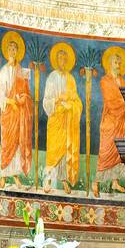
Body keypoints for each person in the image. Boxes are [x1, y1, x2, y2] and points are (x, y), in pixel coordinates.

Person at [42, 44, 82, 192]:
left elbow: (76, 100)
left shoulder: (71, 79)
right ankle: (49, 180)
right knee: (53, 150)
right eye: (60, 57)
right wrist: (57, 100)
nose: (63, 60)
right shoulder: (51, 77)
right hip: (56, 118)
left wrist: (71, 105)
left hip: (68, 119)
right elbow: (46, 100)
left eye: (65, 58)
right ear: (56, 60)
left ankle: (64, 180)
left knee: (66, 150)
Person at [0, 34, 33, 183]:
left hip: (19, 113)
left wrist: (22, 98)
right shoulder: (3, 70)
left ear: (17, 52)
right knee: (6, 142)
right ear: (6, 51)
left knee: (18, 142)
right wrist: (11, 101)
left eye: (14, 49)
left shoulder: (23, 71)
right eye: (10, 48)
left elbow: (27, 93)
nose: (12, 51)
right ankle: (4, 174)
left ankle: (15, 174)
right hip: (8, 111)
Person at [95, 47, 125, 195]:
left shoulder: (122, 80)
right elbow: (111, 100)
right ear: (110, 64)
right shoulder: (105, 81)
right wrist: (124, 102)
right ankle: (95, 182)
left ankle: (115, 182)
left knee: (118, 152)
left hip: (121, 122)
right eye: (116, 62)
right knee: (105, 152)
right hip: (110, 121)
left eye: (119, 63)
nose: (118, 65)